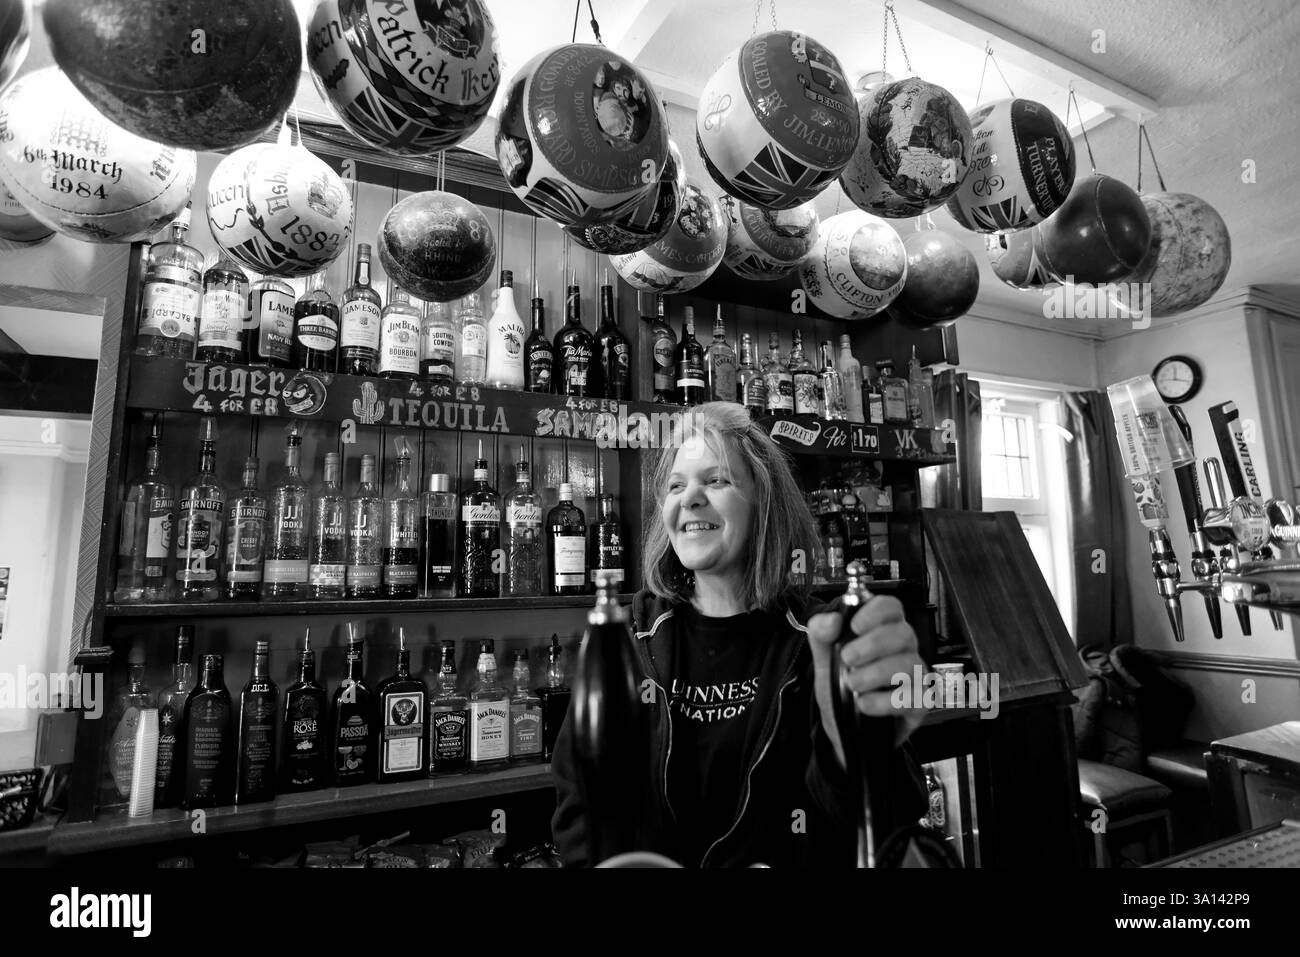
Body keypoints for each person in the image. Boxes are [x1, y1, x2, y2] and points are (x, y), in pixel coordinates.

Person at [551, 402, 929, 867]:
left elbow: (887, 826)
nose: (689, 498)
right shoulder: (627, 638)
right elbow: (581, 813)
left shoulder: (824, 641)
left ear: (764, 501)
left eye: (716, 480)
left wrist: (861, 743)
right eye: (676, 485)